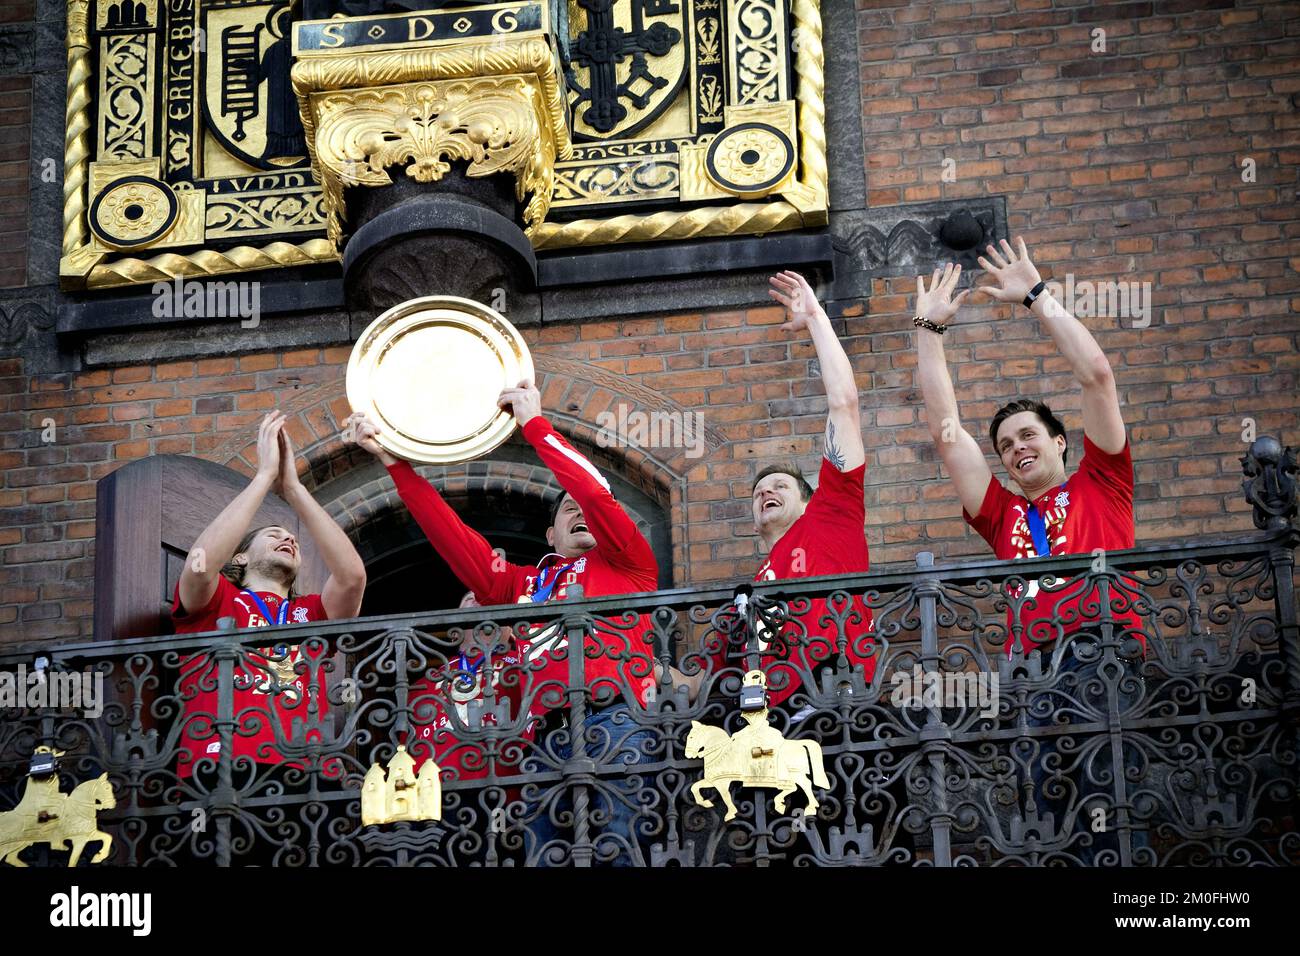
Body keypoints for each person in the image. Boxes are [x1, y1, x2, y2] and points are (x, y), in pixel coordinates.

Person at [344, 381, 664, 864]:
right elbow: (453, 538)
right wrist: (396, 465)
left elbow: (595, 494)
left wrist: (534, 426)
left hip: (617, 720)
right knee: (543, 856)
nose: (579, 510)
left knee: (618, 849)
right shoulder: (522, 586)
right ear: (550, 533)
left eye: (585, 508)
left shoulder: (629, 563)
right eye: (566, 510)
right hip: (543, 738)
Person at [912, 237, 1146, 863]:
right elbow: (945, 431)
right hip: (1029, 674)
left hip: (1105, 657)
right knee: (1049, 822)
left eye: (1029, 435)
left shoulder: (1104, 481)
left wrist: (1039, 298)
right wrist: (928, 329)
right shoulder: (1001, 513)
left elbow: (1097, 375)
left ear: (1062, 443)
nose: (1017, 448)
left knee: (1117, 811)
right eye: (1007, 443)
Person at [173, 411, 366, 781]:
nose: (289, 538)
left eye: (292, 537)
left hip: (306, 771)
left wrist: (294, 489)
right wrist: (263, 477)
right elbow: (199, 566)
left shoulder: (310, 612)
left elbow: (352, 576)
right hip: (222, 766)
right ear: (240, 556)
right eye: (274, 533)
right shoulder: (220, 601)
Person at [733, 270, 875, 722]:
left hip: (838, 696)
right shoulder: (753, 584)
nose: (766, 493)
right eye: (758, 491)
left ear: (809, 501)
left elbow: (845, 404)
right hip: (772, 723)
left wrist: (816, 318)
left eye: (779, 487)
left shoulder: (830, 516)